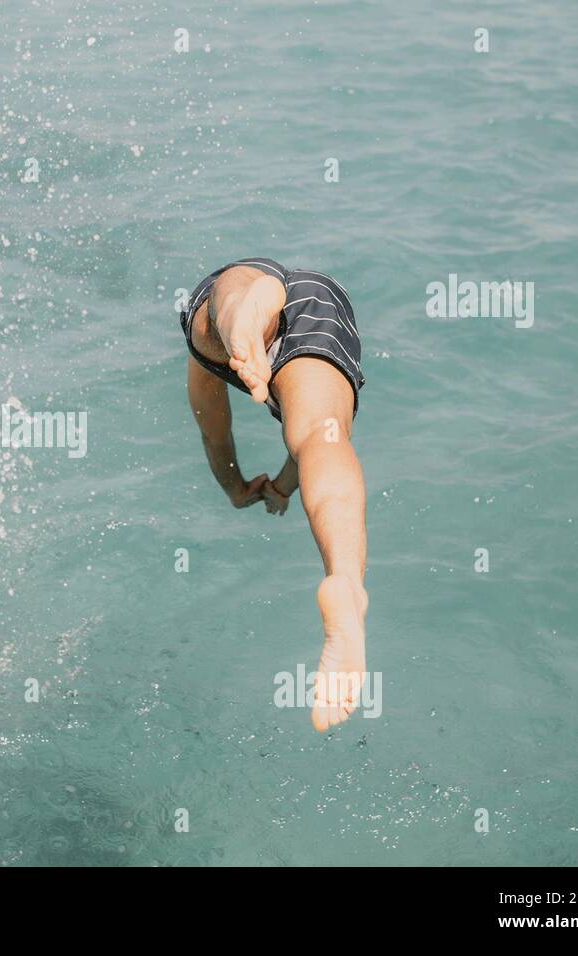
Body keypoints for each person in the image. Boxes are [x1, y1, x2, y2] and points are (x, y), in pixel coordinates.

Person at [180, 257, 368, 732]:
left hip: (251, 307)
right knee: (320, 437)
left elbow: (215, 435)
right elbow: (305, 456)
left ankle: (241, 310)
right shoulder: (291, 369)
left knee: (214, 318)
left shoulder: (211, 365)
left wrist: (237, 488)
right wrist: (282, 488)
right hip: (324, 309)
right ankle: (346, 580)